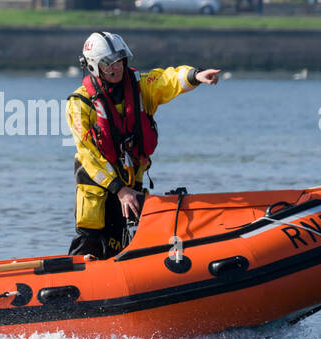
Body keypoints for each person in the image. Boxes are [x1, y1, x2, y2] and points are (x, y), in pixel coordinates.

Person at [66, 32, 221, 258]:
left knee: (128, 248)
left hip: (132, 187)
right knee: (88, 249)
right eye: (108, 63)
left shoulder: (141, 87)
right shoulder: (80, 104)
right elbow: (89, 156)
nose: (116, 67)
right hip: (99, 194)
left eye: (119, 61)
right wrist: (120, 190)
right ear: (94, 66)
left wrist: (195, 75)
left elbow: (167, 80)